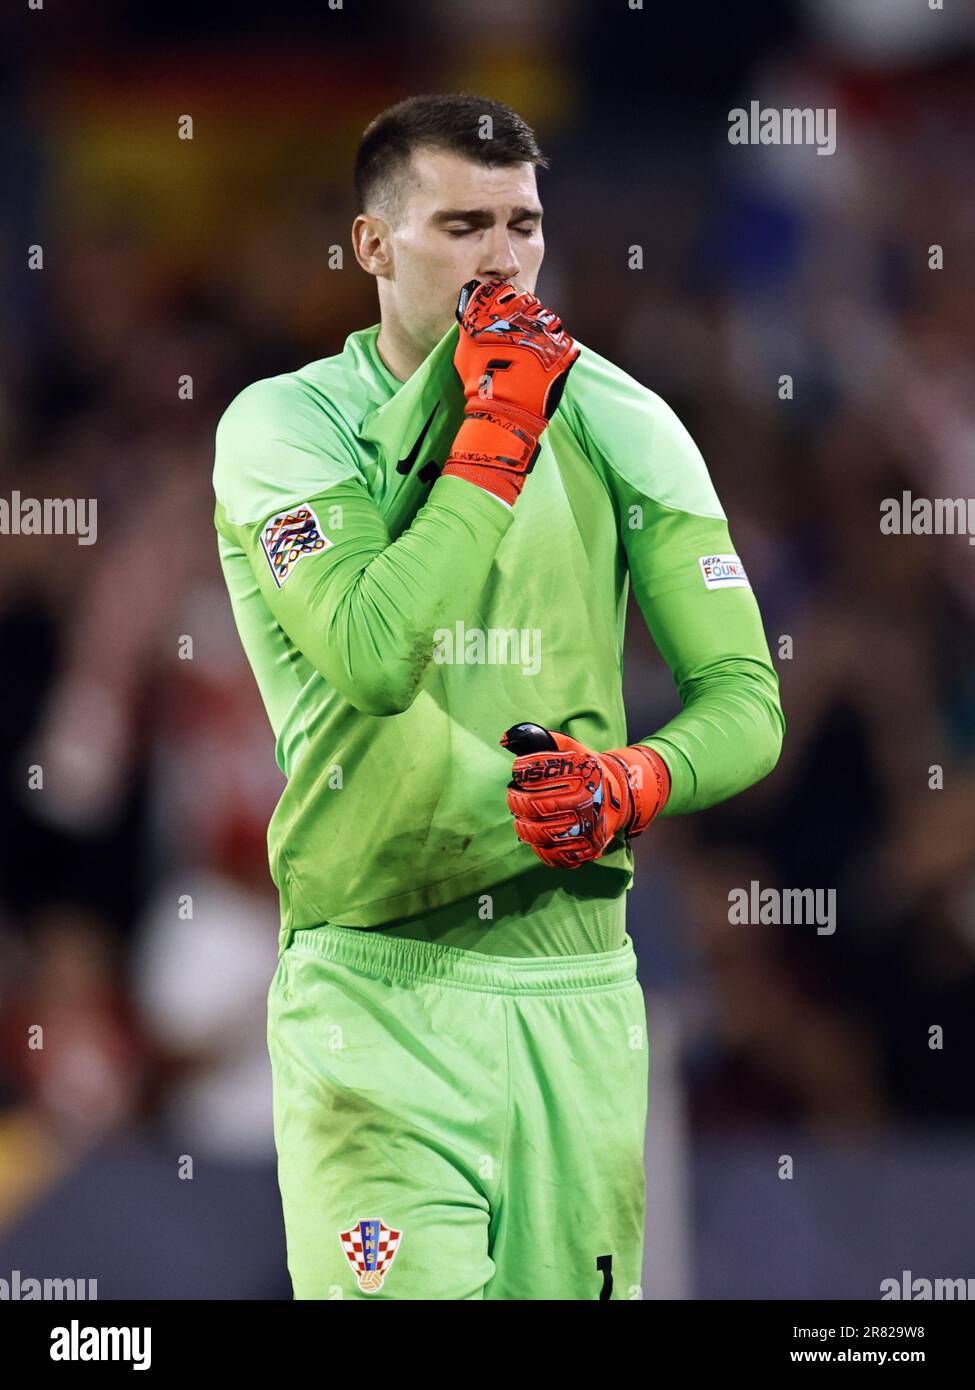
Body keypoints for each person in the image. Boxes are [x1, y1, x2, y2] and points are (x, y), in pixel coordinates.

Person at [212, 92, 784, 1300]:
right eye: (462, 225)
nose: (504, 259)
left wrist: (637, 779)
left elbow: (744, 697)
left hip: (576, 989)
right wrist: (495, 433)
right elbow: (375, 651)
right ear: (373, 246)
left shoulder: (629, 422)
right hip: (377, 992)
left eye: (523, 224)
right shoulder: (287, 429)